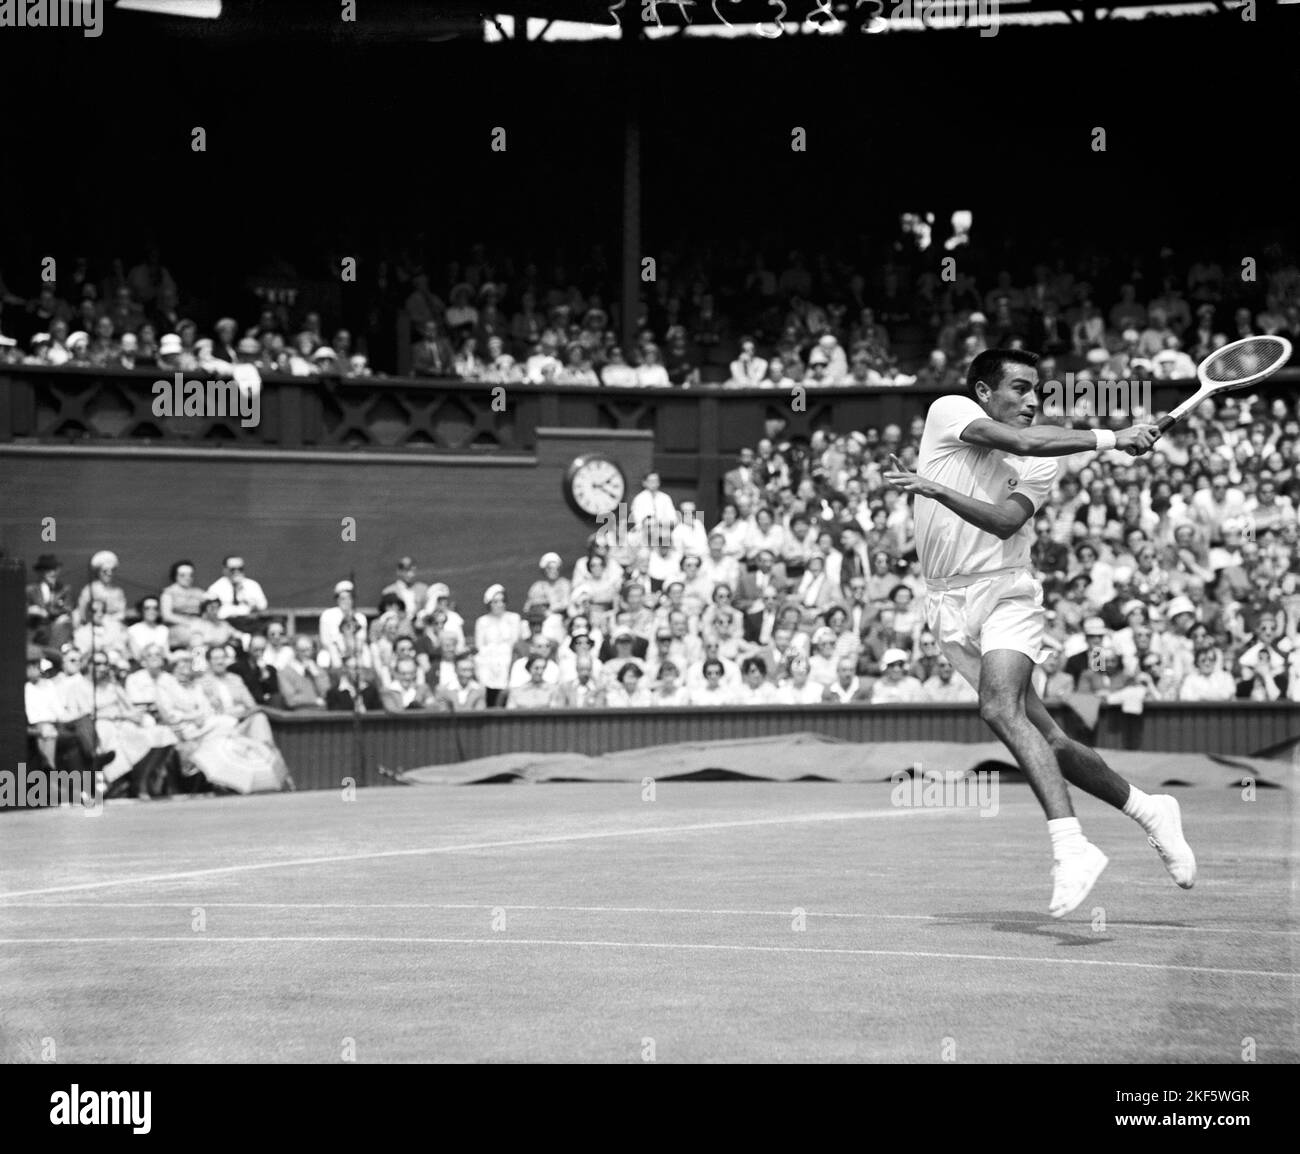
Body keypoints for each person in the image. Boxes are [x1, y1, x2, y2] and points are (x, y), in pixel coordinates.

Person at [884, 347, 1195, 918]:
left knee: (999, 709)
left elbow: (1006, 520)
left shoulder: (1042, 458)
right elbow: (1019, 444)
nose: (1033, 402)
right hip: (947, 605)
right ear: (983, 393)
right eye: (1022, 389)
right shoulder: (948, 410)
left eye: (1039, 393)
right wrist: (1113, 437)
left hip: (1007, 591)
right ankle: (1150, 811)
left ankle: (1070, 846)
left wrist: (937, 490)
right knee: (1046, 738)